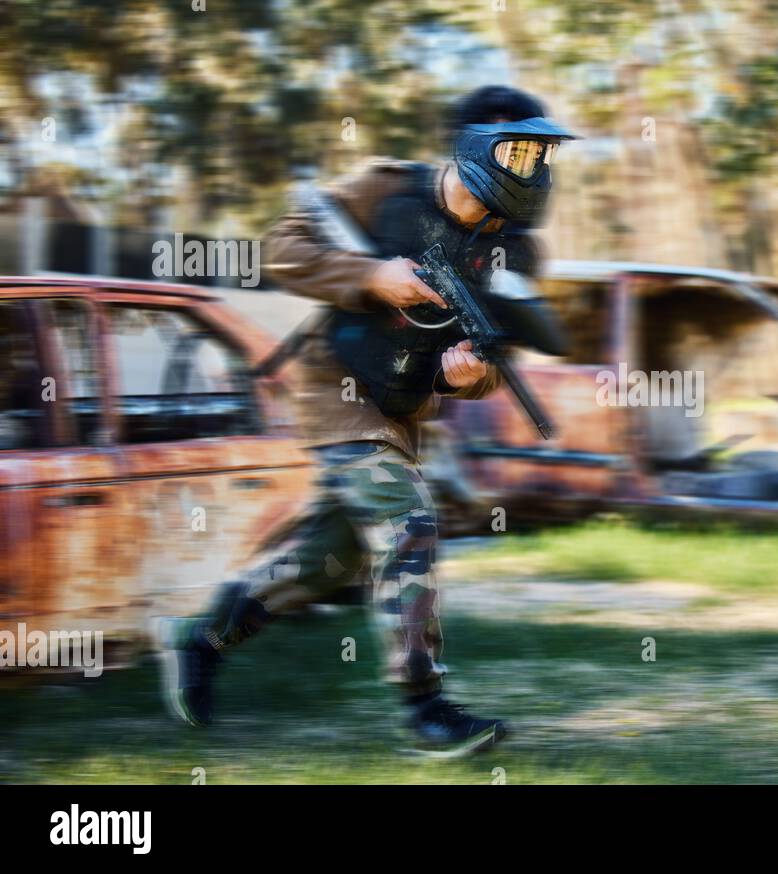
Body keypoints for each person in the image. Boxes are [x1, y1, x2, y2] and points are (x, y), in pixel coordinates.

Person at [155, 85, 577, 757]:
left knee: (325, 561)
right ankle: (425, 706)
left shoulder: (519, 252)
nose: (534, 169)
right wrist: (370, 276)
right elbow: (281, 249)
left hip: (404, 406)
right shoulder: (384, 188)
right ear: (471, 147)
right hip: (333, 386)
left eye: (542, 155)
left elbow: (493, 361)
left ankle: (201, 639)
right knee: (406, 518)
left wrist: (466, 377)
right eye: (519, 151)